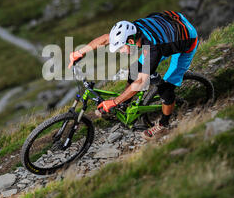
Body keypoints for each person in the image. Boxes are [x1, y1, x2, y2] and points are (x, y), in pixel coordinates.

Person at [68, 11, 198, 139]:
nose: (120, 51)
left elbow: (140, 83)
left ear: (130, 40)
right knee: (135, 68)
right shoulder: (133, 29)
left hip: (186, 41)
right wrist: (79, 52)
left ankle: (164, 124)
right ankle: (125, 104)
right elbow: (105, 39)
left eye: (121, 47)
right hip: (170, 26)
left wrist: (114, 101)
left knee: (166, 89)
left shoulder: (153, 48)